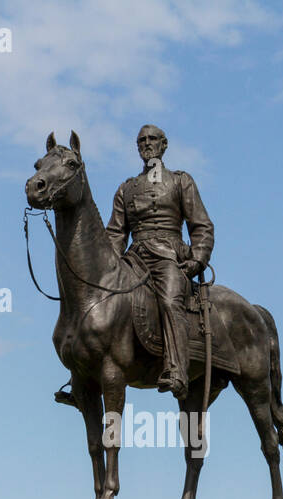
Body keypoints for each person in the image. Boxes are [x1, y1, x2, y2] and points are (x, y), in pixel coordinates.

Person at [104, 124, 214, 400]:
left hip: (169, 255)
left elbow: (201, 226)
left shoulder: (181, 181)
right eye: (141, 140)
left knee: (169, 299)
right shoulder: (126, 188)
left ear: (164, 145)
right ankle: (83, 373)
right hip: (134, 258)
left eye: (153, 139)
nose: (147, 143)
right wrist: (107, 269)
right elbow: (116, 233)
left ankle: (177, 370)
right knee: (102, 301)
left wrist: (198, 259)